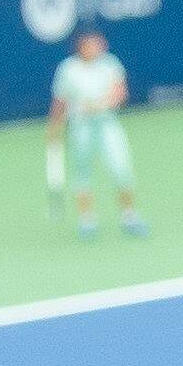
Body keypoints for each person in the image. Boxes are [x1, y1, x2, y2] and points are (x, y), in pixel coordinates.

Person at [46, 23, 143, 240]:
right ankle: (87, 221)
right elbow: (59, 103)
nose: (97, 46)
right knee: (82, 173)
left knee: (121, 168)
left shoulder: (111, 64)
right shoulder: (68, 69)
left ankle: (130, 216)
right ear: (81, 46)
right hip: (81, 128)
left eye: (98, 42)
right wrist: (54, 129)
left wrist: (100, 105)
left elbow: (120, 93)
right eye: (91, 43)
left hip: (107, 125)